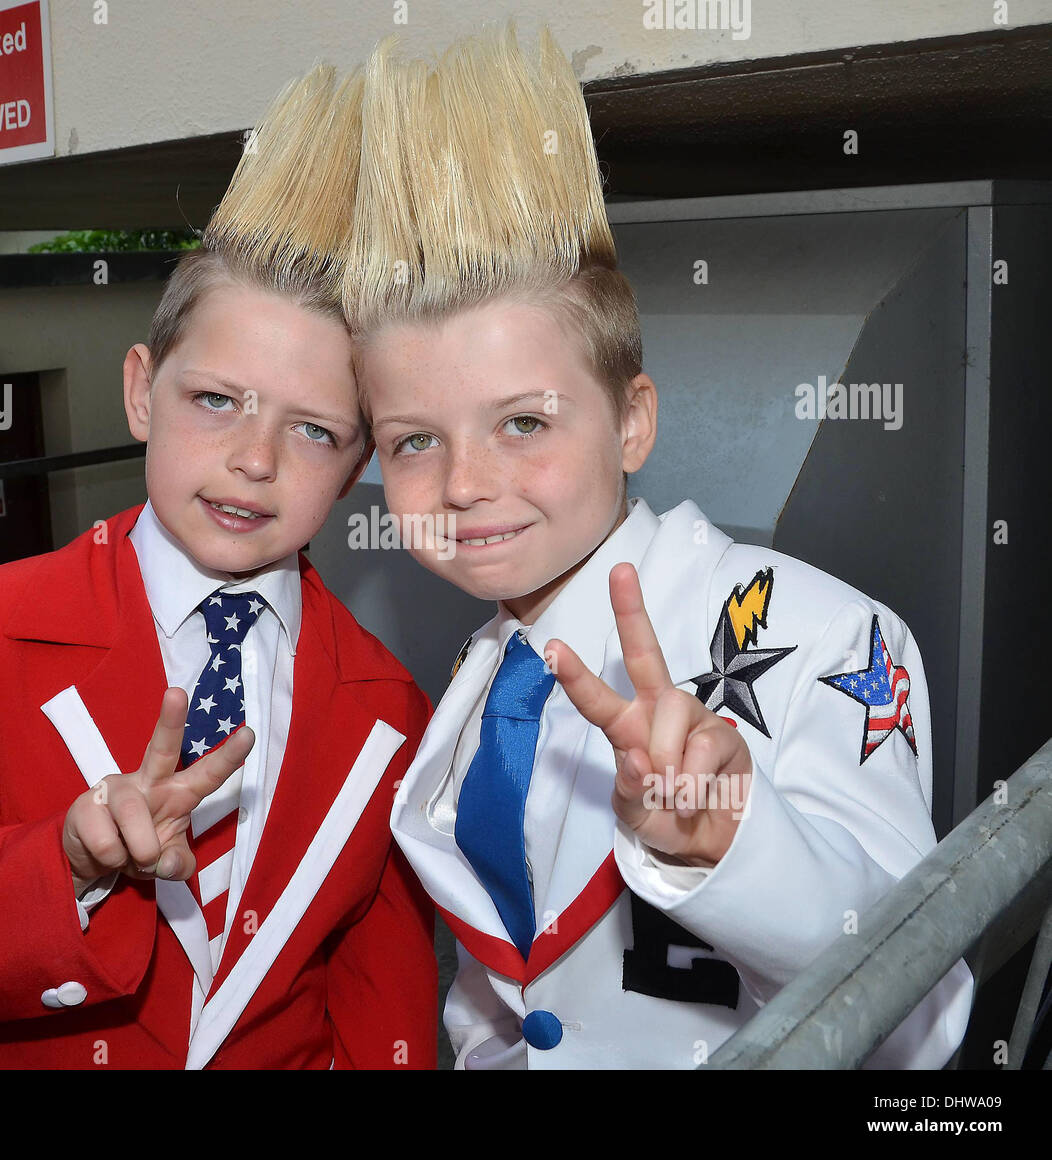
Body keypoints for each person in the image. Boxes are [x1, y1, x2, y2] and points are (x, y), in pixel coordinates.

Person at [339, 25, 973, 1068]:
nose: (460, 483)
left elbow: (920, 1010)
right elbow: (509, 1000)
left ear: (632, 422)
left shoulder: (828, 634)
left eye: (524, 423)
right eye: (414, 441)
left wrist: (733, 838)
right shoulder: (484, 663)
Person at [0, 64, 437, 1069]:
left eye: (314, 429)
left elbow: (384, 1006)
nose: (255, 458)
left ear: (356, 466)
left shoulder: (389, 707)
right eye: (216, 400)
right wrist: (65, 860)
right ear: (139, 393)